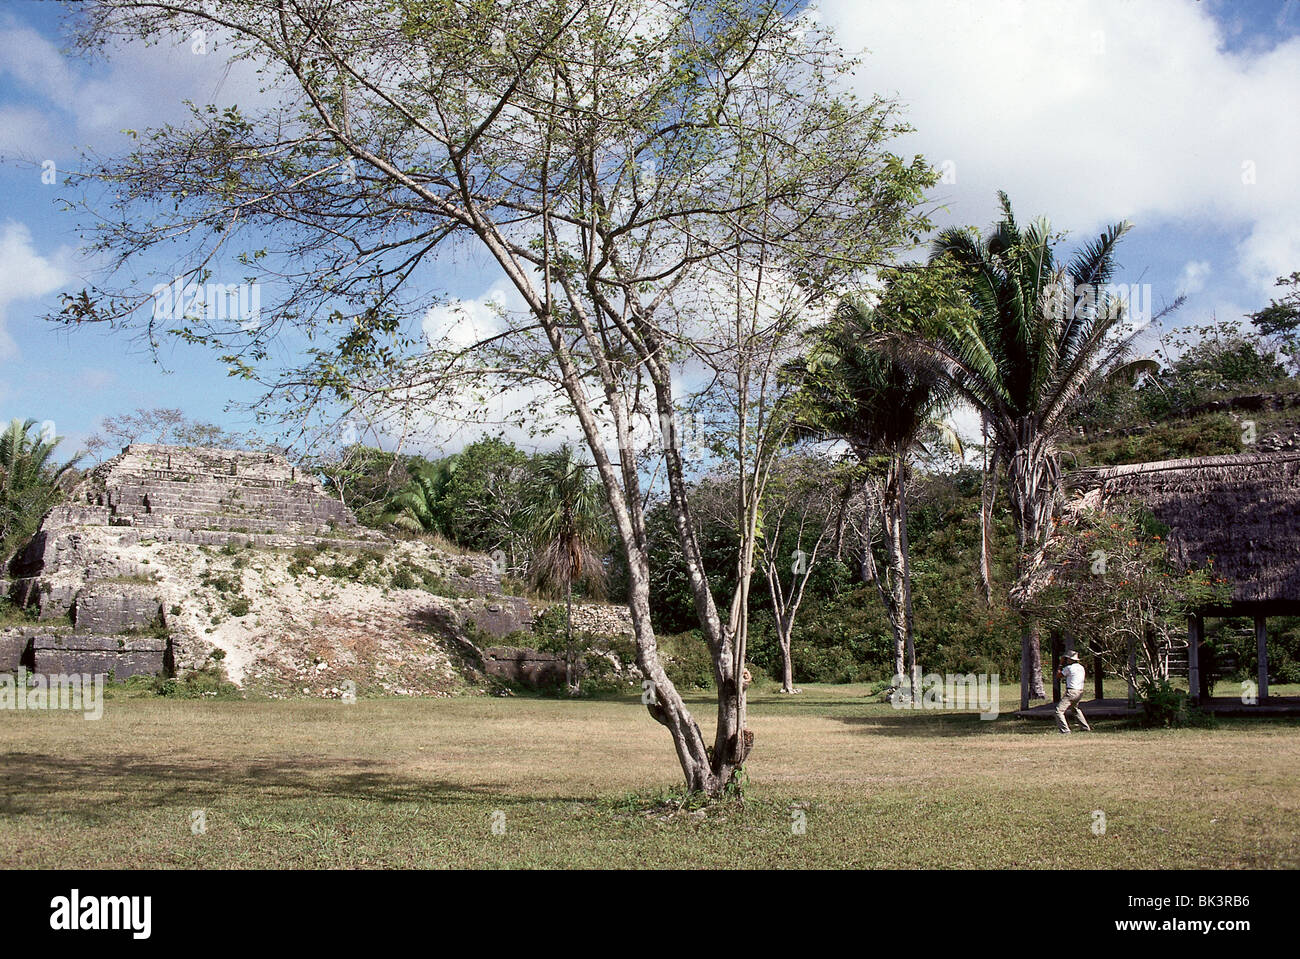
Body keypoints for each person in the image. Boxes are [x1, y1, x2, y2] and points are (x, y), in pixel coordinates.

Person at [1054, 650, 1091, 734]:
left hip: (1071, 691)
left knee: (1058, 711)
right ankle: (1085, 727)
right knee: (1075, 709)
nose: (1067, 660)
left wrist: (1060, 664)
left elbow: (1058, 675)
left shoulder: (1069, 668)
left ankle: (1065, 730)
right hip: (1080, 691)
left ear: (1070, 659)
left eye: (1067, 659)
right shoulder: (1081, 667)